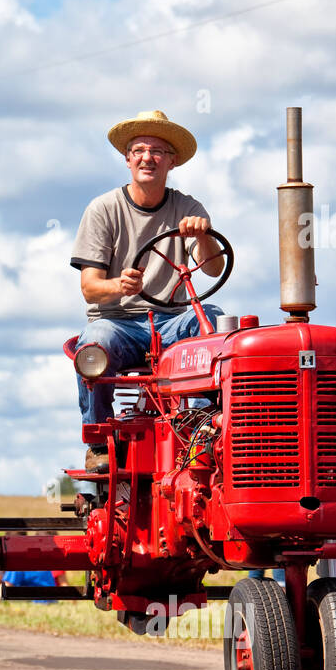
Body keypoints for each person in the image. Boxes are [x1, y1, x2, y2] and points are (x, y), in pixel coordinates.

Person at [71, 110, 225, 470]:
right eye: (139, 149)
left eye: (157, 151)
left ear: (172, 161)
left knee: (215, 325)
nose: (147, 157)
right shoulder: (103, 209)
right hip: (118, 322)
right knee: (95, 340)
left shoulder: (188, 207)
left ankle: (205, 431)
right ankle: (99, 442)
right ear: (127, 160)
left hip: (171, 321)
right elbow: (90, 290)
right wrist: (118, 285)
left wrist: (202, 236)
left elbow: (214, 267)